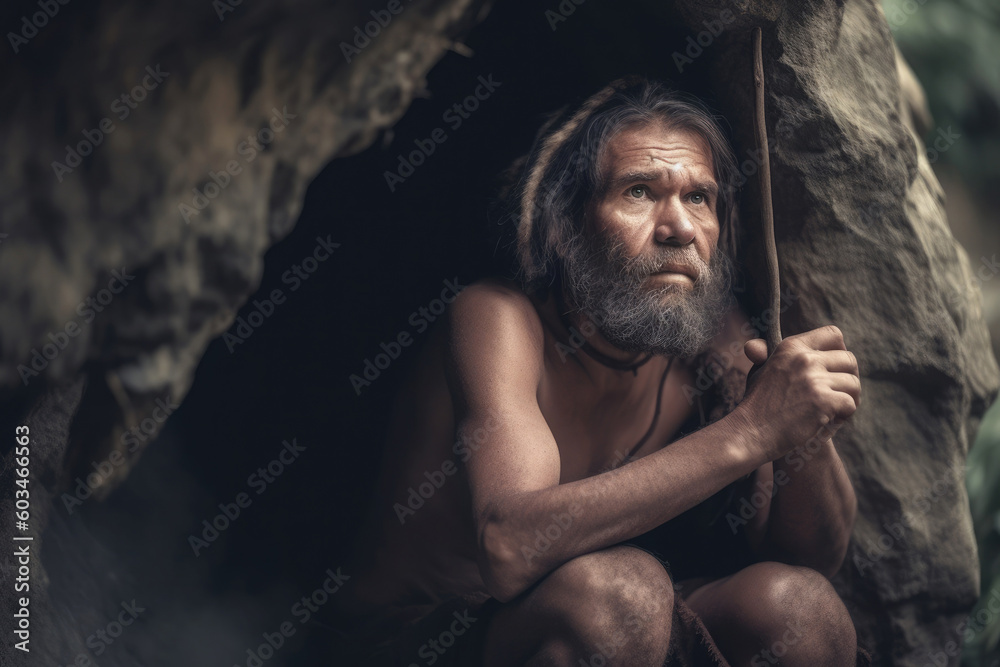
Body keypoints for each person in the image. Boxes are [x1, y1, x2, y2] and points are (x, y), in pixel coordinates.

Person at [335, 76, 864, 666]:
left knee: (803, 610)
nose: (680, 227)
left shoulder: (714, 343)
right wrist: (752, 431)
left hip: (594, 623)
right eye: (639, 192)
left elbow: (814, 558)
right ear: (564, 226)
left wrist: (803, 433)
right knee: (624, 596)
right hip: (417, 638)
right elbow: (509, 549)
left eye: (699, 198)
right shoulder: (497, 318)